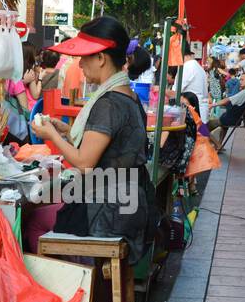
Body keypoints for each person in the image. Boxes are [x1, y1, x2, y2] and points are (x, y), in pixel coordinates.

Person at [33, 16, 156, 263]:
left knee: (34, 220)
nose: (79, 64)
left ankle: (74, 293)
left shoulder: (108, 103)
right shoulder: (128, 96)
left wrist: (53, 136)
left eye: (84, 57)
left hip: (109, 210)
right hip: (131, 203)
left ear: (101, 58)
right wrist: (67, 133)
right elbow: (112, 144)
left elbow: (85, 162)